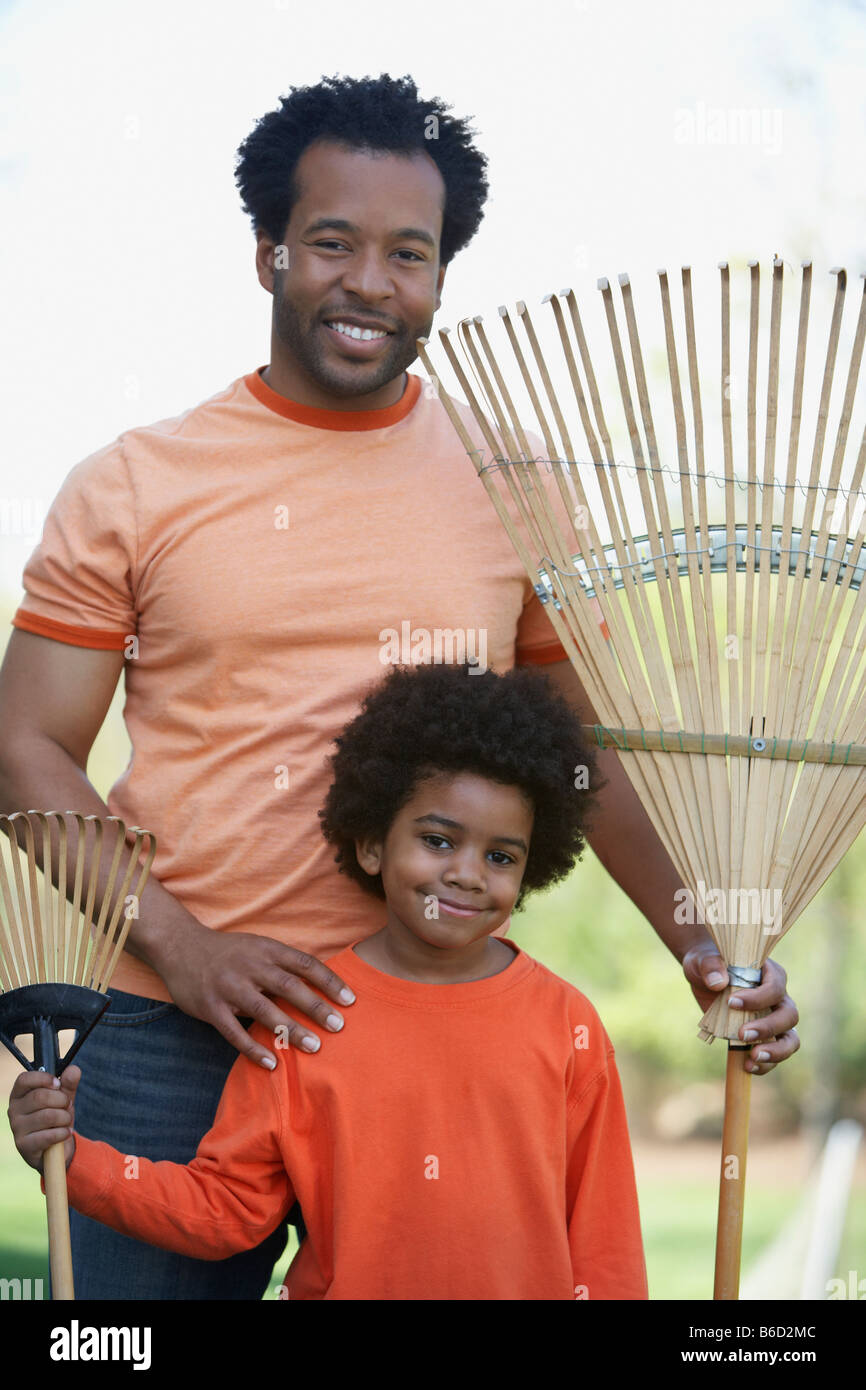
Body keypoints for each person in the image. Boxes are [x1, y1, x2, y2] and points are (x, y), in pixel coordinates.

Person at [0, 73, 798, 1299]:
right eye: (332, 241)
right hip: (168, 1028)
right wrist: (187, 946)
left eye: (407, 253)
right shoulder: (134, 483)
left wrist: (704, 946)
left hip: (431, 1026)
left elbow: (587, 747)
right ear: (267, 252)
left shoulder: (515, 481)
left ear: (438, 276)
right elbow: (25, 749)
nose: (370, 281)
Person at [9, 661, 648, 1300]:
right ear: (372, 844)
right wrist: (75, 1160)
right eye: (437, 840)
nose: (468, 874)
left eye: (501, 856)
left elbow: (605, 1235)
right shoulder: (304, 1016)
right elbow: (227, 1207)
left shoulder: (568, 1023)